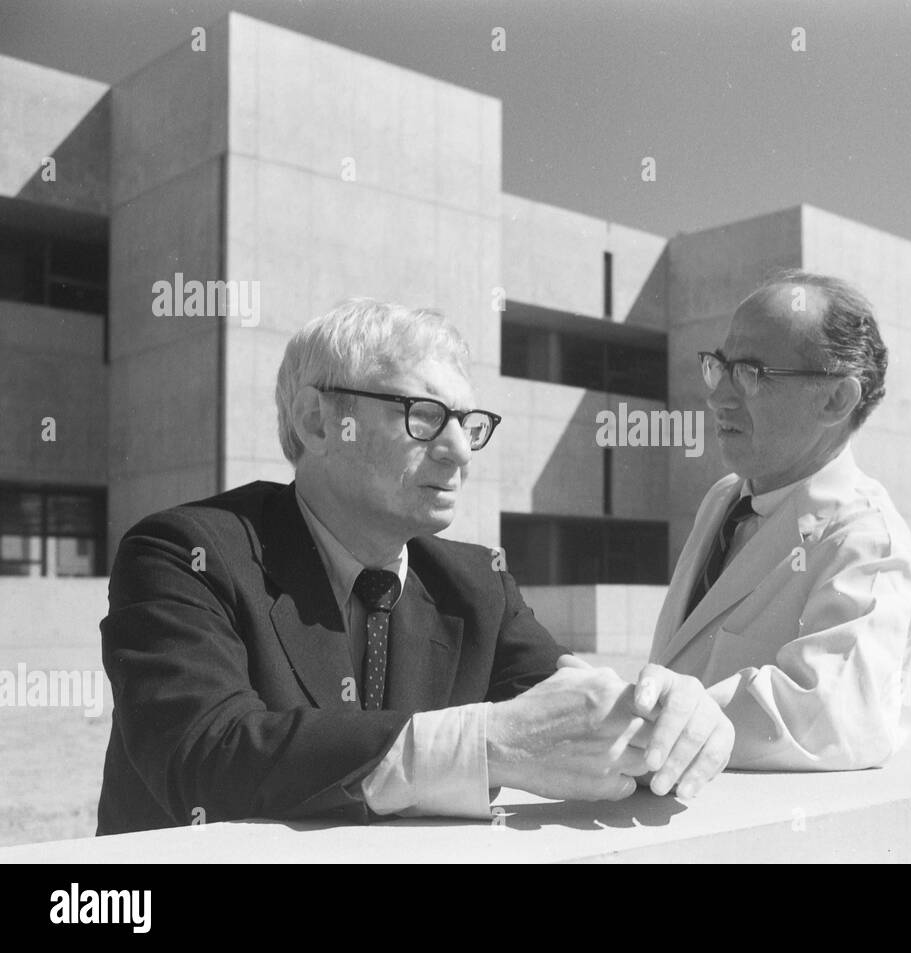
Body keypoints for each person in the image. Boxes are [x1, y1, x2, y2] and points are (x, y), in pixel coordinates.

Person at [98, 298, 732, 835]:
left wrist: (667, 715)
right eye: (424, 416)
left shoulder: (478, 583)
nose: (460, 450)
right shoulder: (186, 555)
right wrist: (484, 744)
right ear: (318, 422)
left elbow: (569, 712)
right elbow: (207, 757)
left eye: (468, 422)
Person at [649, 270, 911, 771]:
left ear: (836, 399)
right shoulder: (724, 500)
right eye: (721, 367)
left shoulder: (867, 543)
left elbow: (831, 716)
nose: (719, 398)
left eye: (751, 374)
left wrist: (643, 722)